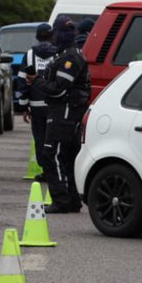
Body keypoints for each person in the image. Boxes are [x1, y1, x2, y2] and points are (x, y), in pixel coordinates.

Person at [39, 15, 91, 212]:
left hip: (64, 113)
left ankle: (62, 200)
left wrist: (38, 82)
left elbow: (60, 89)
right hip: (66, 112)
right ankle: (71, 200)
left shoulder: (70, 57)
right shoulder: (68, 54)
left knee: (52, 154)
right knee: (67, 157)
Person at [22, 23, 56, 180]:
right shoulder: (58, 54)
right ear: (52, 36)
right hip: (53, 105)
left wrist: (24, 106)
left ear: (37, 37)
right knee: (53, 138)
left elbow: (23, 81)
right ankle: (54, 170)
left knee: (40, 138)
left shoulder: (29, 55)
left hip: (36, 107)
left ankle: (45, 170)